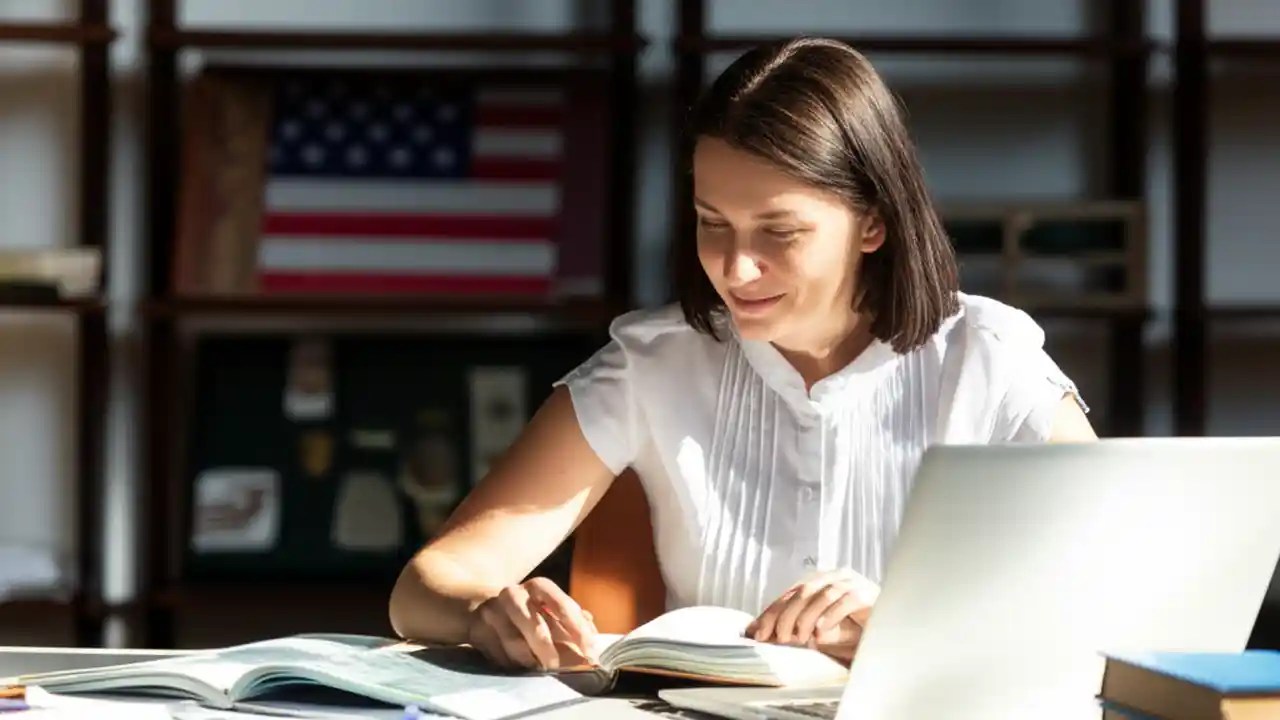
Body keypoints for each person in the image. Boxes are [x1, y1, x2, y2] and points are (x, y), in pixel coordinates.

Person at [388, 36, 1096, 672]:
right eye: (711, 223)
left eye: (778, 232)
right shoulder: (650, 365)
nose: (735, 268)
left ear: (874, 223)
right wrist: (485, 616)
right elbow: (427, 586)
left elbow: (1125, 599)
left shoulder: (991, 361)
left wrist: (902, 630)